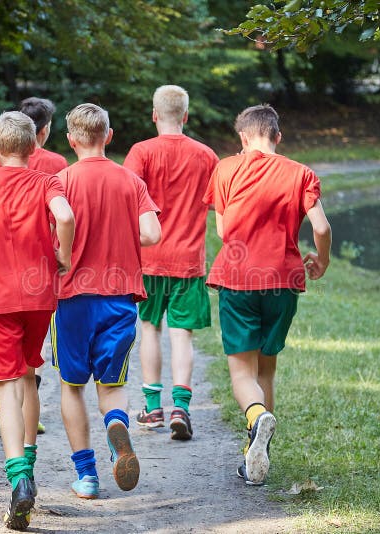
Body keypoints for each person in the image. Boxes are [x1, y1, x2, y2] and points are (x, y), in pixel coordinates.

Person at [0, 111, 75, 530]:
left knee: (7, 387)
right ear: (35, 146)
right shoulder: (46, 181)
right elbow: (66, 216)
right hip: (40, 295)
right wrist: (64, 255)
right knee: (30, 373)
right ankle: (31, 464)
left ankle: (19, 478)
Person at [202, 104, 331, 486]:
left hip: (238, 276)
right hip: (282, 278)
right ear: (278, 136)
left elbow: (225, 233)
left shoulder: (226, 169)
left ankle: (257, 418)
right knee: (266, 367)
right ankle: (258, 455)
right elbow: (321, 228)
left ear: (243, 138)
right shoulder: (300, 173)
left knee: (242, 371)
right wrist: (321, 261)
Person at [52, 103, 161, 500]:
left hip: (72, 297)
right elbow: (152, 234)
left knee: (71, 385)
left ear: (71, 141)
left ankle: (87, 476)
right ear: (109, 136)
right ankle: (116, 423)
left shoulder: (59, 181)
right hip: (119, 296)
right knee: (111, 386)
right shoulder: (130, 181)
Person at [123, 85, 218, 440]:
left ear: (154, 115)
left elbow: (127, 197)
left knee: (149, 329)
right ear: (186, 116)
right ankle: (182, 405)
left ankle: (152, 408)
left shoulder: (141, 152)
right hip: (189, 261)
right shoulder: (207, 156)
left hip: (147, 259)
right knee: (182, 336)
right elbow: (216, 204)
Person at [0, 97, 68, 434]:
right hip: (42, 261)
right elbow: (66, 210)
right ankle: (28, 409)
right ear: (43, 131)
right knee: (35, 345)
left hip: (3, 263)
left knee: (7, 342)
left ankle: (9, 399)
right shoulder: (57, 162)